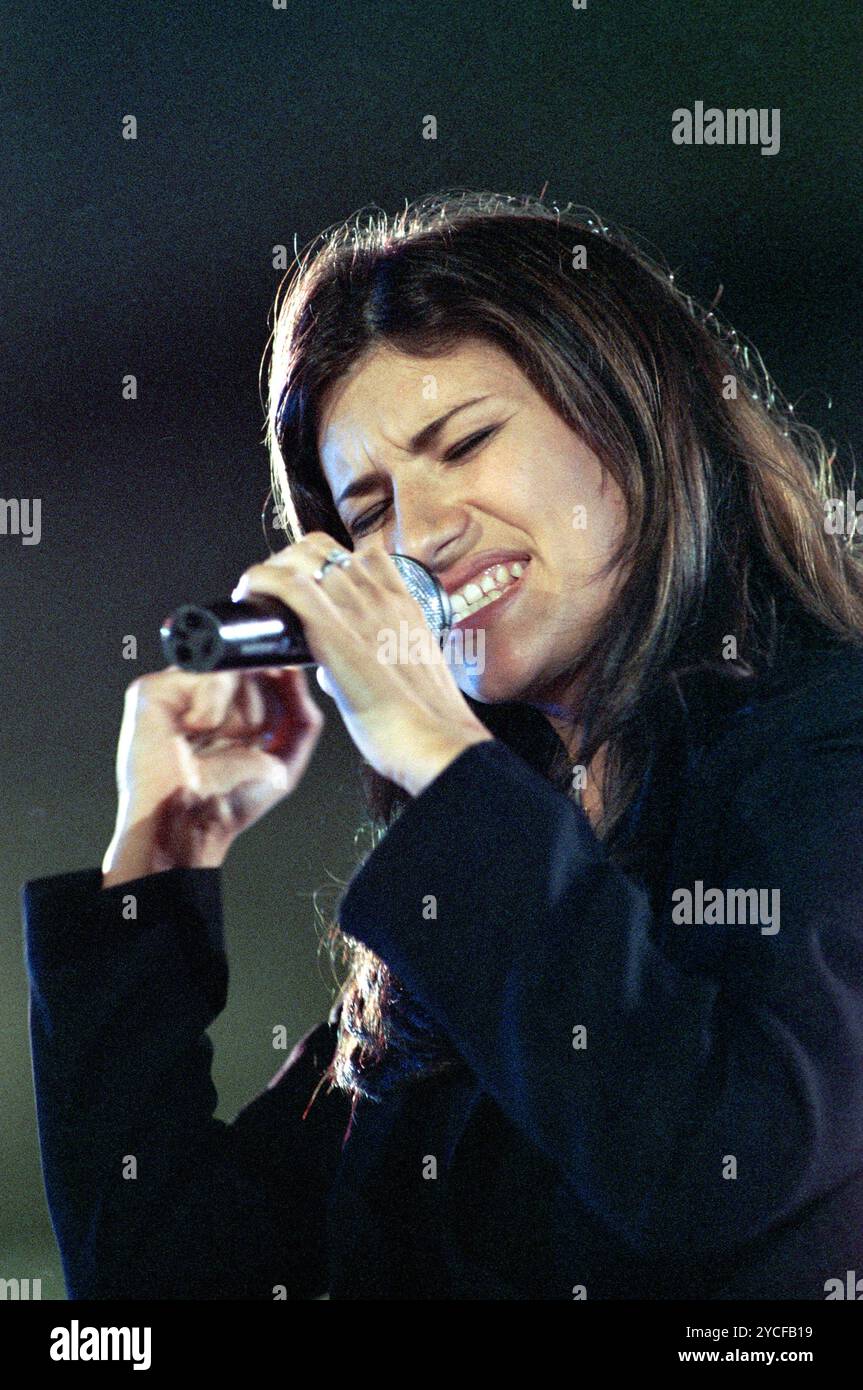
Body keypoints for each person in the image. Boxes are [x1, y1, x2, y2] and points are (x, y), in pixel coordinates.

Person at [23, 190, 863, 1301]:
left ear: (634, 414)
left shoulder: (826, 747)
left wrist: (432, 748)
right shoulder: (473, 895)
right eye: (367, 509)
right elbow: (159, 1288)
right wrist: (158, 851)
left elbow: (711, 1163)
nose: (418, 536)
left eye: (464, 442)